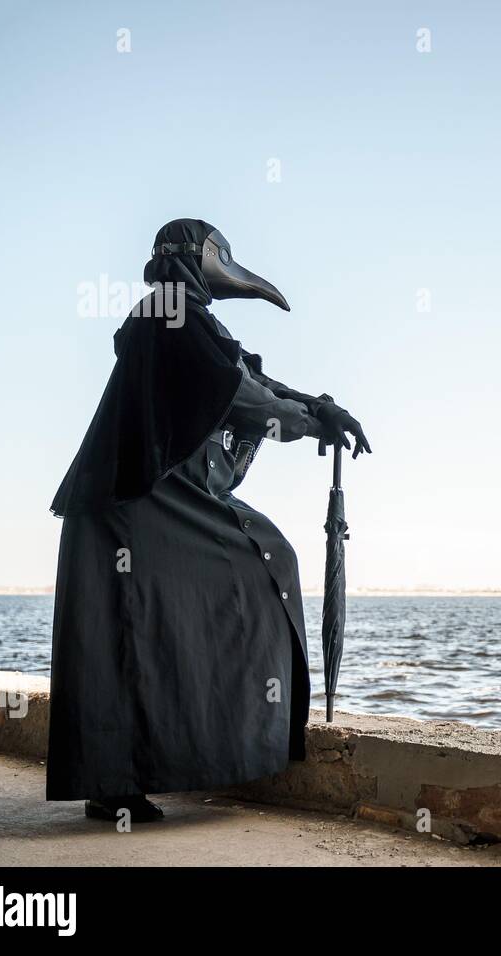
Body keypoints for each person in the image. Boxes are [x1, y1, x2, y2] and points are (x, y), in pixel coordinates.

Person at [46, 218, 370, 822]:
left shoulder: (180, 317)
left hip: (137, 497)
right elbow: (238, 395)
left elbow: (244, 379)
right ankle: (178, 763)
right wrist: (310, 419)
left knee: (144, 631)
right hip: (138, 499)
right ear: (204, 257)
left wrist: (318, 408)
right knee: (170, 614)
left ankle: (196, 754)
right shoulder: (170, 314)